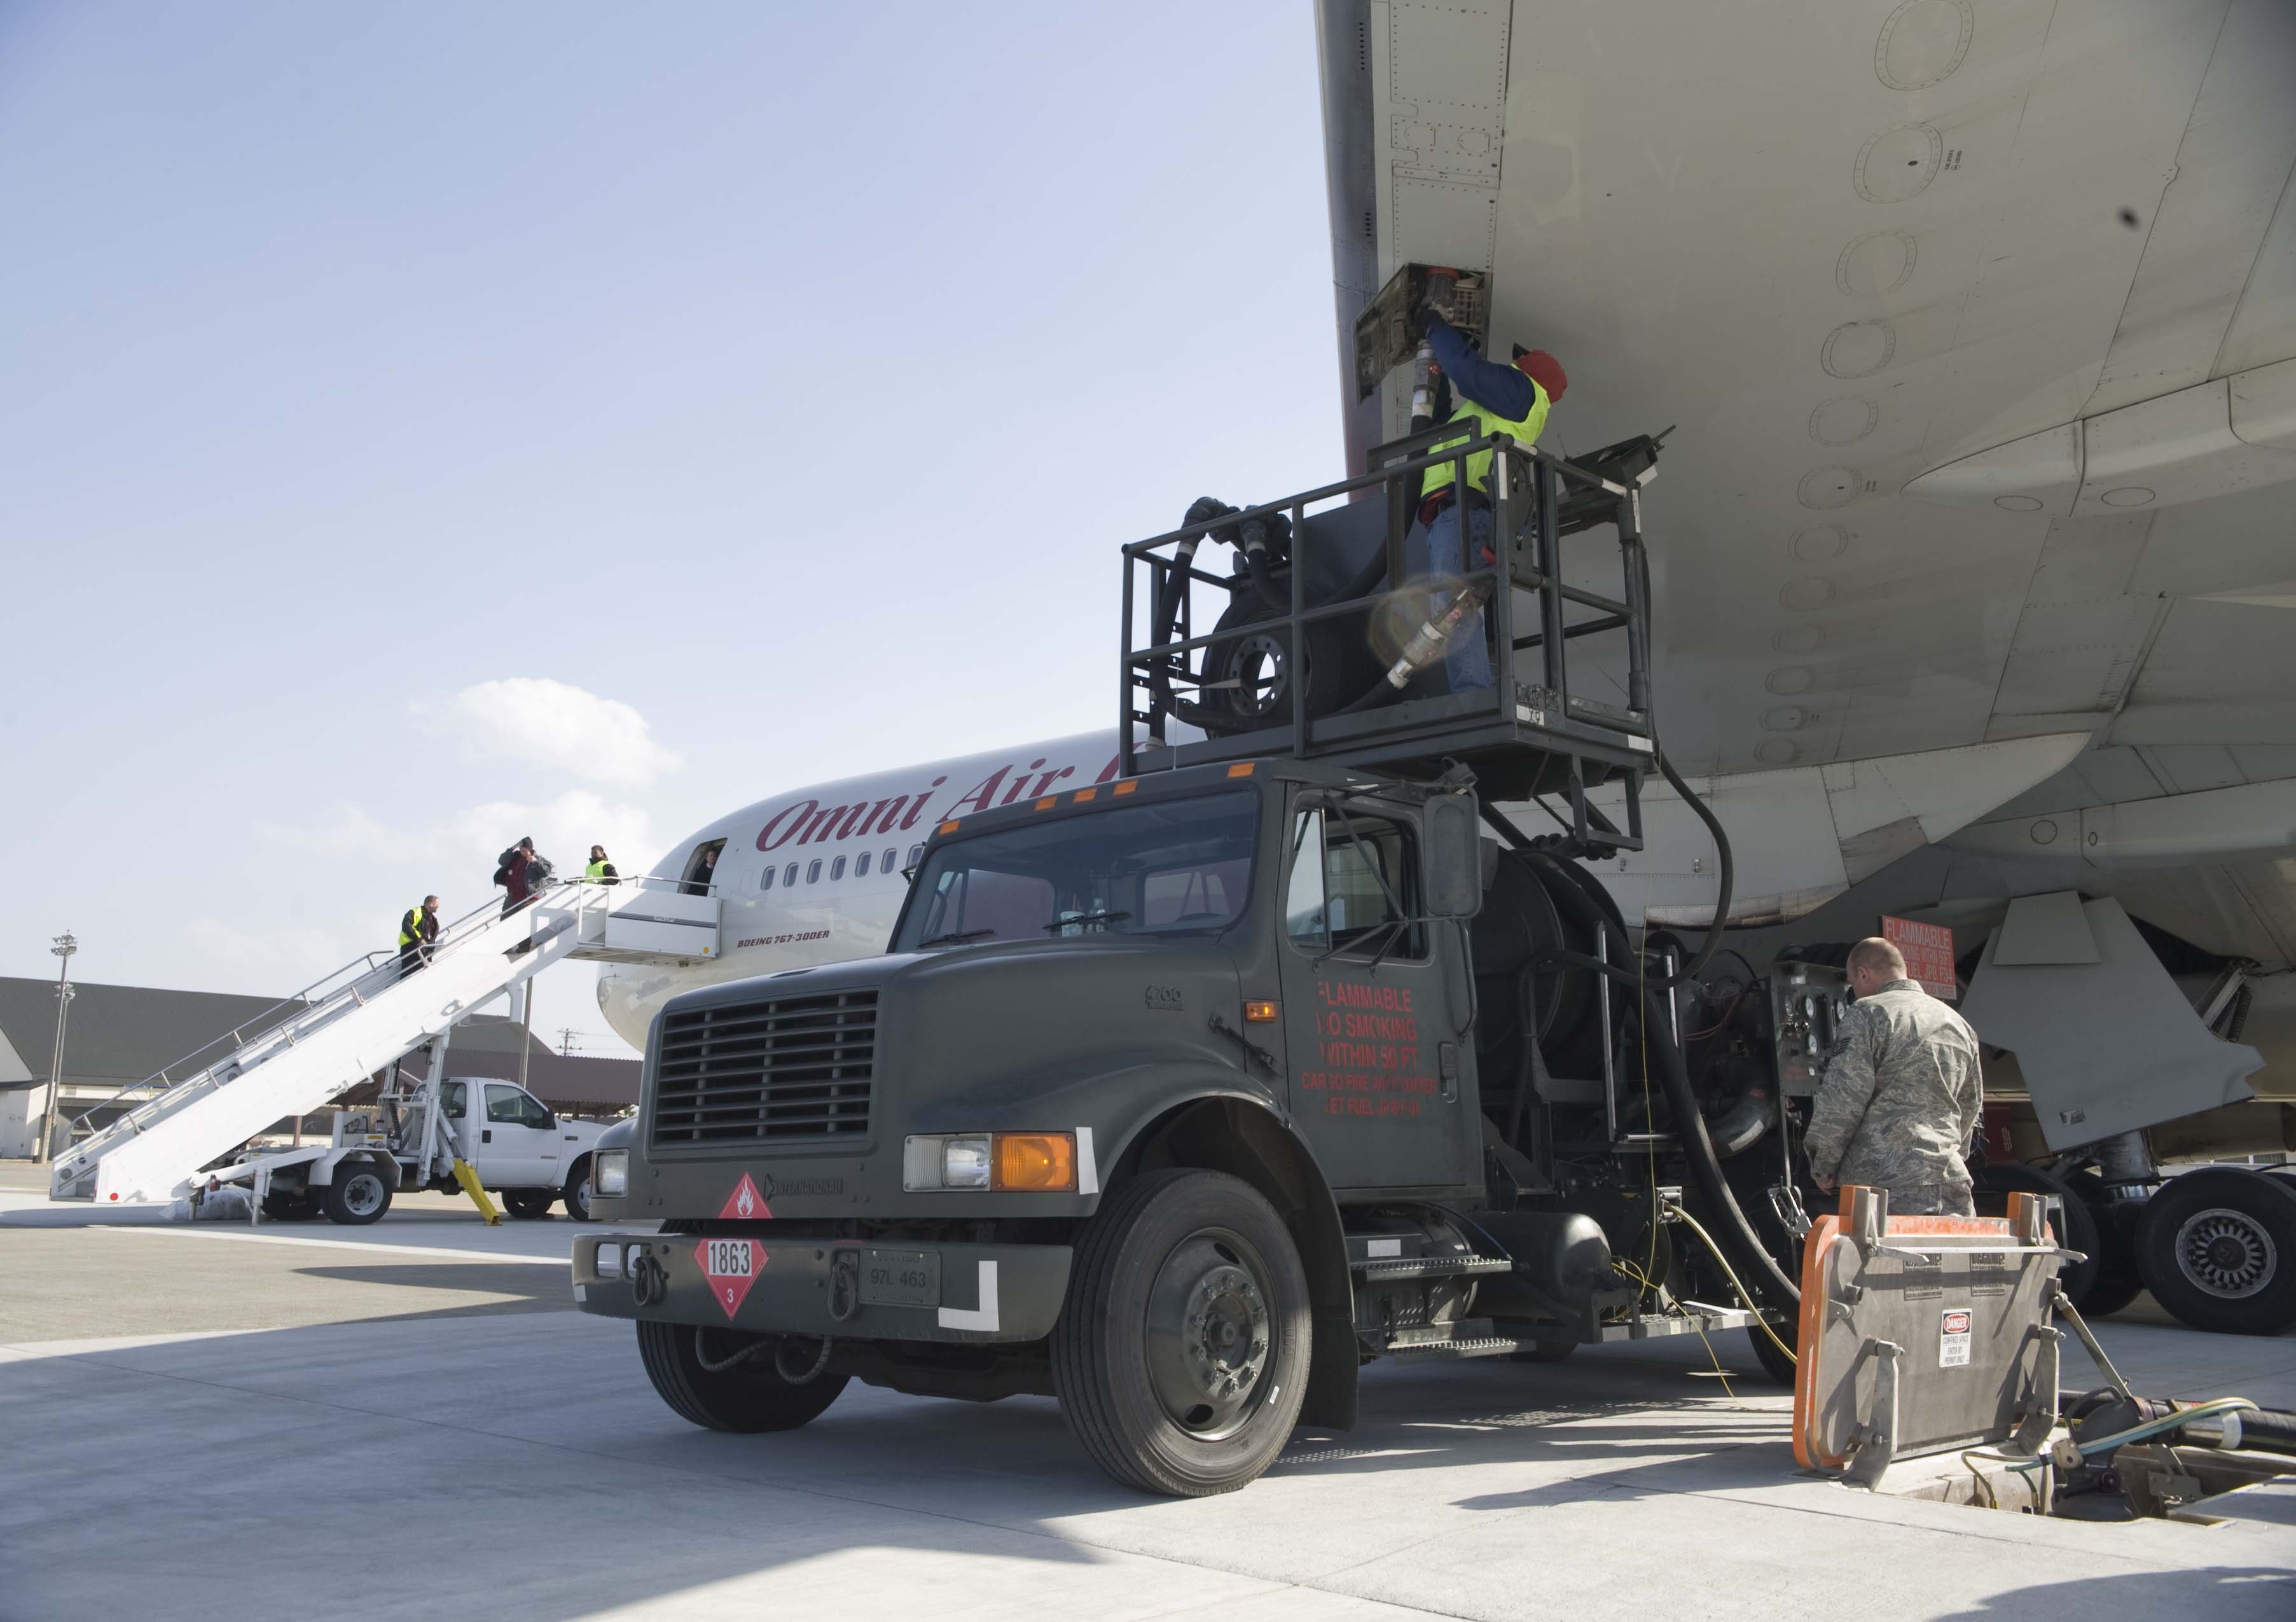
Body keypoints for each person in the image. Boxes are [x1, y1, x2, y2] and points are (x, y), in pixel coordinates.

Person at [1414, 307, 1568, 693]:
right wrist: (1439, 372)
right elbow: (1450, 417)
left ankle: (1472, 696)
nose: (1510, 366)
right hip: (1455, 512)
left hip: (1465, 512)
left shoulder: (1523, 393)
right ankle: (1476, 692)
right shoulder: (1504, 406)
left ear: (1533, 373)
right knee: (1453, 606)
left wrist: (1436, 328)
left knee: (1453, 606)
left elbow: (1471, 374)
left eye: (1519, 363)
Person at [1804, 936, 1984, 1217]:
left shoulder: (1867, 1013)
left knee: (1888, 1261)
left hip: (1885, 1184)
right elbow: (1970, 1105)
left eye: (1853, 984)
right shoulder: (1957, 1023)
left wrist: (1823, 1166)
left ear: (1863, 974)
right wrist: (1948, 1155)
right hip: (1949, 1180)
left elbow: (1843, 1100)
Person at [398, 895, 440, 979]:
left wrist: (429, 948)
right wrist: (419, 940)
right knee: (408, 977)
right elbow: (407, 926)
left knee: (424, 978)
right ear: (431, 904)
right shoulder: (415, 912)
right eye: (437, 903)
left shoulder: (434, 921)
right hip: (411, 950)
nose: (439, 906)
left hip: (425, 953)